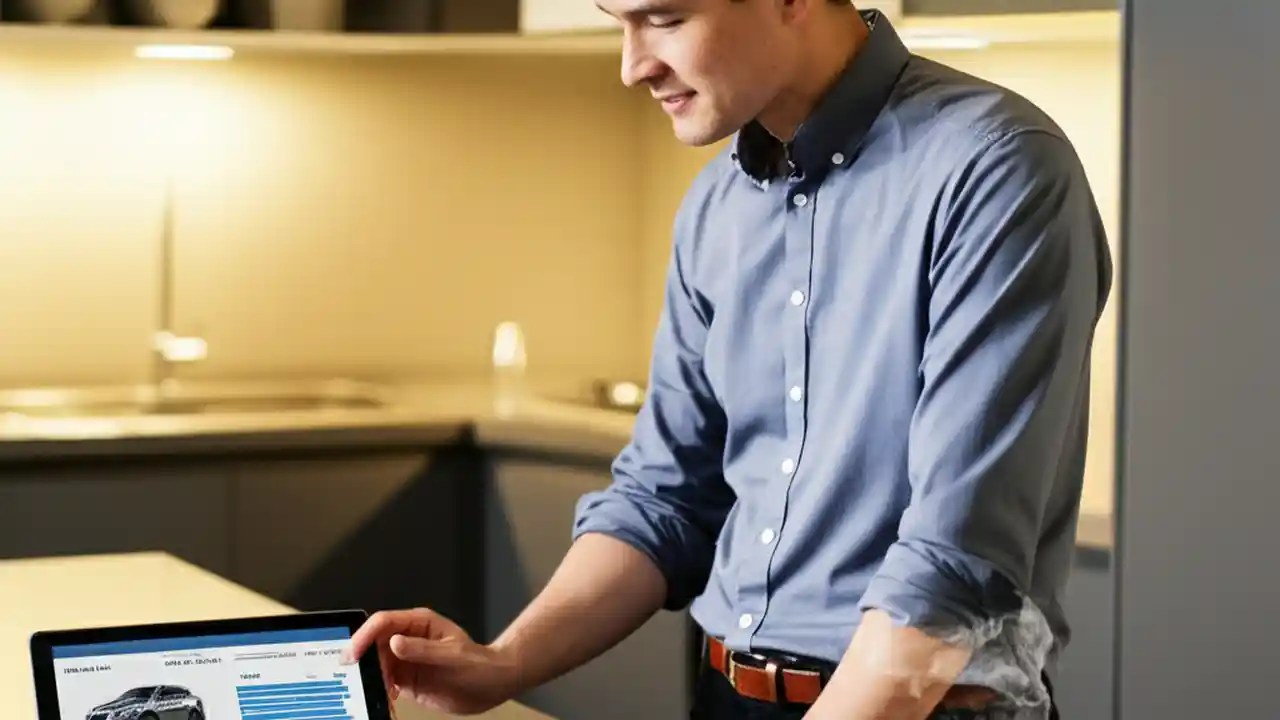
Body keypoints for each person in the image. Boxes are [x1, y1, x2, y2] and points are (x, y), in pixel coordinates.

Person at [342, 1, 1114, 718]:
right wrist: (503, 662)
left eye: (665, 18)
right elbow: (665, 498)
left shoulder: (997, 168)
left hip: (920, 703)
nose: (632, 64)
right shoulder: (718, 206)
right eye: (621, 21)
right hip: (725, 692)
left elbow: (952, 567)